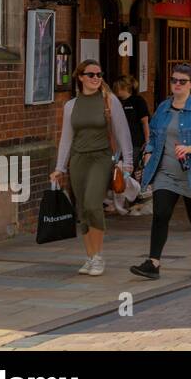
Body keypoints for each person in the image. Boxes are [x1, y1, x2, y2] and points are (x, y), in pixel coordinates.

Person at [131, 62, 191, 280]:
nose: (177, 84)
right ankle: (153, 263)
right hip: (166, 172)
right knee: (160, 214)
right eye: (174, 80)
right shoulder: (163, 108)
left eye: (182, 81)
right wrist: (148, 152)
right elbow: (153, 136)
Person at [53, 59, 132, 276]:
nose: (96, 78)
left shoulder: (109, 101)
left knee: (93, 204)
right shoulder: (71, 106)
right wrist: (60, 167)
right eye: (91, 75)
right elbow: (66, 139)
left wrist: (128, 162)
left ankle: (98, 257)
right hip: (78, 160)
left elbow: (122, 132)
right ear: (80, 77)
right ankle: (89, 257)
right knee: (82, 210)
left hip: (101, 159)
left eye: (99, 74)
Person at [112, 74, 152, 216]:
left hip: (135, 141)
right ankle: (124, 200)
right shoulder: (117, 103)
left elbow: (145, 122)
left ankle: (132, 199)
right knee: (120, 171)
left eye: (118, 88)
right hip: (119, 143)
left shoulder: (137, 101)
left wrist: (148, 142)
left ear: (124, 87)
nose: (115, 90)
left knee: (130, 170)